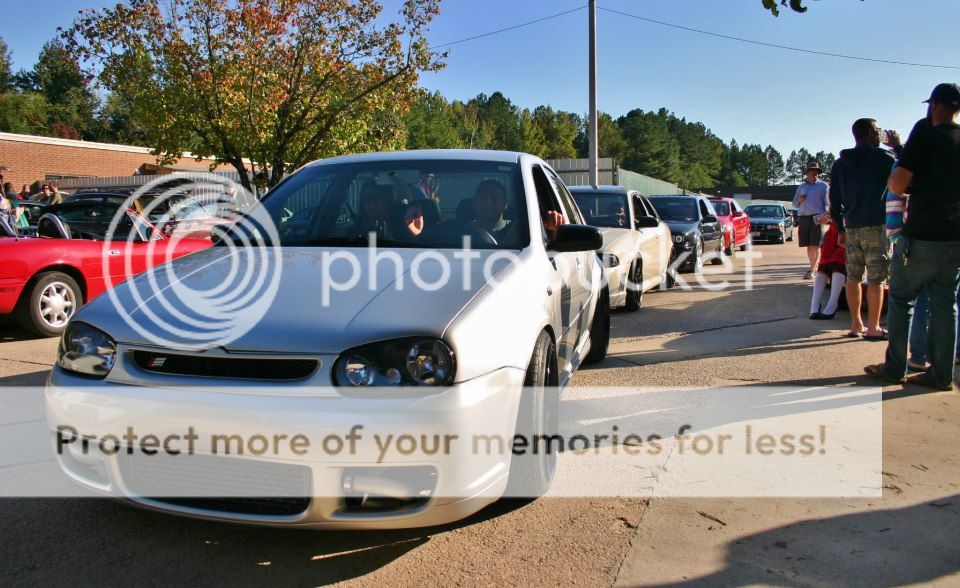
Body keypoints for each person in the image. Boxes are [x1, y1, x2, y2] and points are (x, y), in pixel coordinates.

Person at [865, 83, 960, 391]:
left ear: (933, 105)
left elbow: (897, 184)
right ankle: (940, 375)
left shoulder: (926, 135)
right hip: (955, 237)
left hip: (923, 235)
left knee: (902, 298)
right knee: (946, 305)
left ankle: (895, 369)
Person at [829, 118, 895, 340]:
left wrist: (840, 228)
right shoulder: (883, 159)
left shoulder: (840, 164)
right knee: (877, 279)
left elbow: (834, 200)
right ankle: (874, 327)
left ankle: (856, 325)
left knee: (853, 276)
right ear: (869, 133)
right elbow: (906, 181)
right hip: (876, 226)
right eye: (877, 130)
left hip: (851, 227)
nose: (879, 134)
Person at [793, 163, 830, 279]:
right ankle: (813, 267)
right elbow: (794, 204)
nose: (815, 173)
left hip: (818, 218)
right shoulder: (801, 187)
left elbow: (829, 204)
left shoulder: (824, 186)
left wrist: (827, 216)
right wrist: (799, 200)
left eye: (817, 171)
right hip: (804, 218)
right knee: (809, 246)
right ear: (807, 172)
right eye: (812, 170)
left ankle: (812, 270)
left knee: (815, 245)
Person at [809, 214, 846, 320]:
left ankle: (828, 305)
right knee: (825, 262)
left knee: (838, 260)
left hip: (847, 223)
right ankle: (816, 305)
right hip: (838, 224)